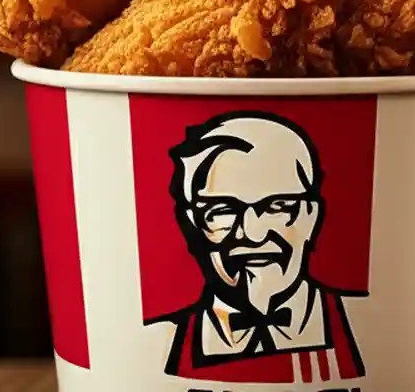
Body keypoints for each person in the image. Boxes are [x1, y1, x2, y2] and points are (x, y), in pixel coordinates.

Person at [154, 112, 365, 384]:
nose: (253, 234)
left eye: (278, 206)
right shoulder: (156, 342)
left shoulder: (373, 326)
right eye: (224, 210)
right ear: (194, 224)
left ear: (311, 215)